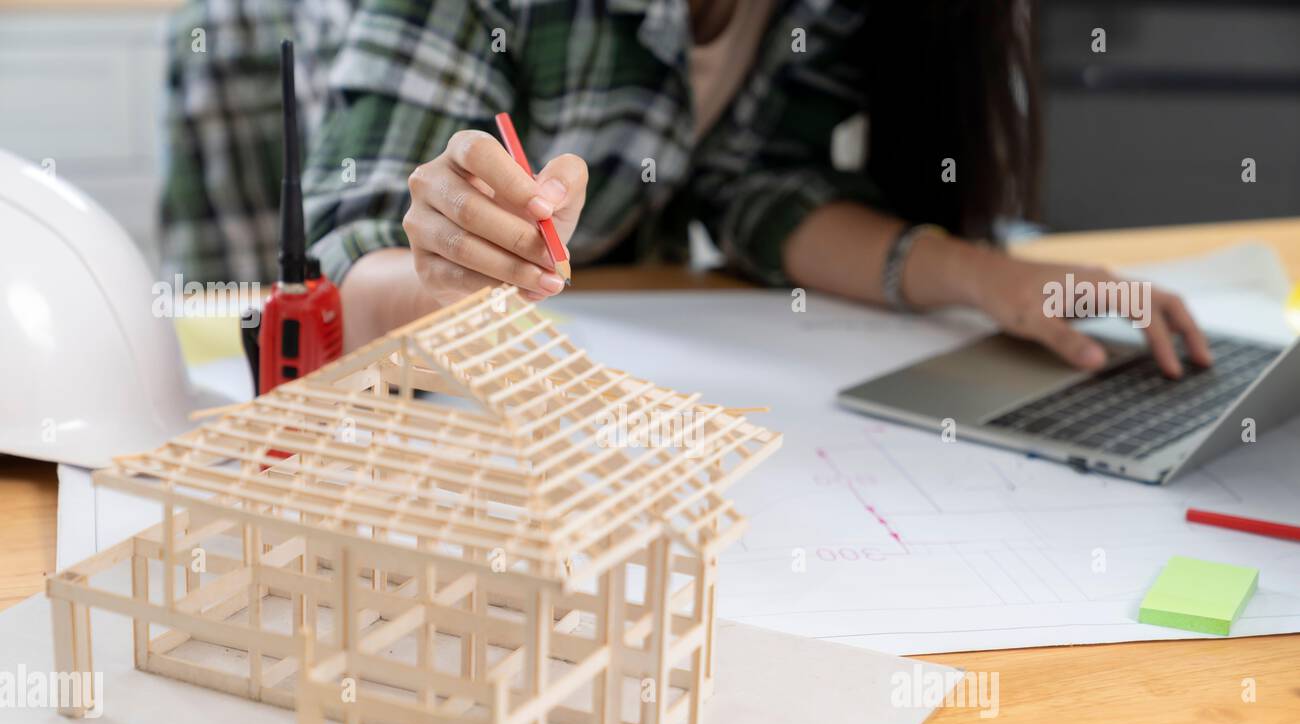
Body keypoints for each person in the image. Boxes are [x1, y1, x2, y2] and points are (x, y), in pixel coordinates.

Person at [164, 0, 1212, 374]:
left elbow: (761, 192)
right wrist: (446, 274)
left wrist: (992, 280)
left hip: (555, 234)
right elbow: (343, 281)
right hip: (261, 78)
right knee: (262, 377)